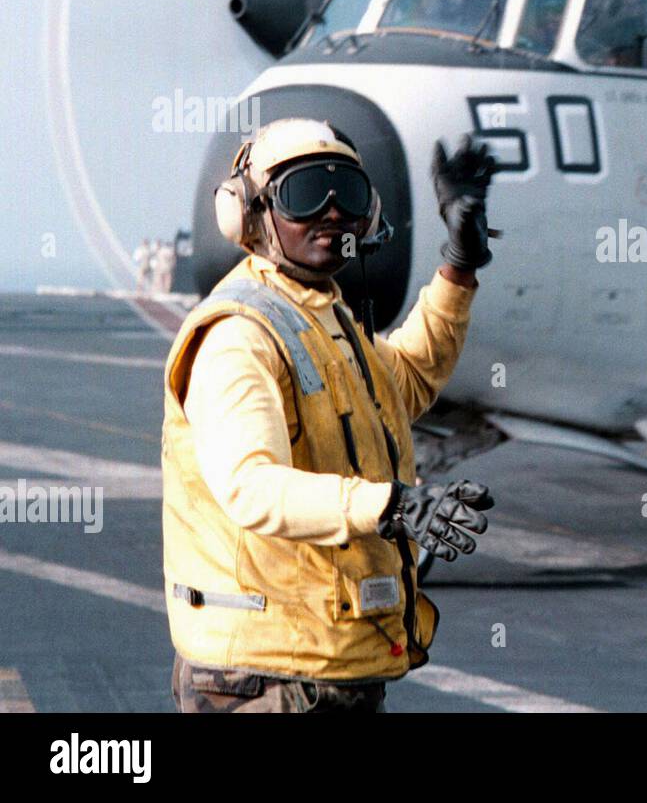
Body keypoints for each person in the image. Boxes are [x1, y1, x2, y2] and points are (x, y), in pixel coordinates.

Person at [162, 117, 497, 713]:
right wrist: (390, 504)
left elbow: (408, 379)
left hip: (324, 668)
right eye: (305, 192)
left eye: (349, 193)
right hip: (265, 679)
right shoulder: (240, 334)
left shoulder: (324, 319)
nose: (333, 212)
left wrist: (459, 264)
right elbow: (252, 487)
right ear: (252, 214)